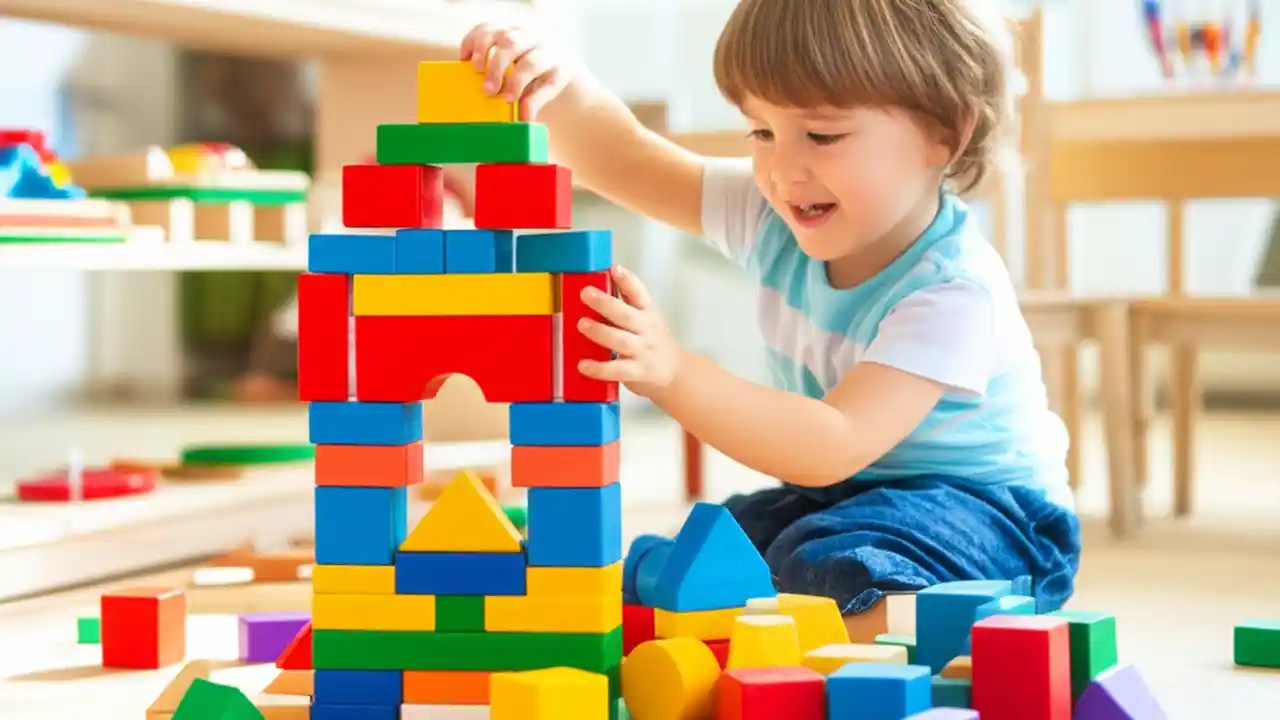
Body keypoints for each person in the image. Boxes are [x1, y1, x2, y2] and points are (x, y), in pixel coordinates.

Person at [460, 0, 1081, 626]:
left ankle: (954, 630)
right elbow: (622, 159)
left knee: (835, 568)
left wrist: (674, 373)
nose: (784, 170)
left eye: (823, 135)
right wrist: (552, 76)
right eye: (762, 131)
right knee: (707, 552)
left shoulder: (952, 292)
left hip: (989, 514)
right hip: (842, 496)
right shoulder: (773, 210)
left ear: (946, 131)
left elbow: (831, 442)